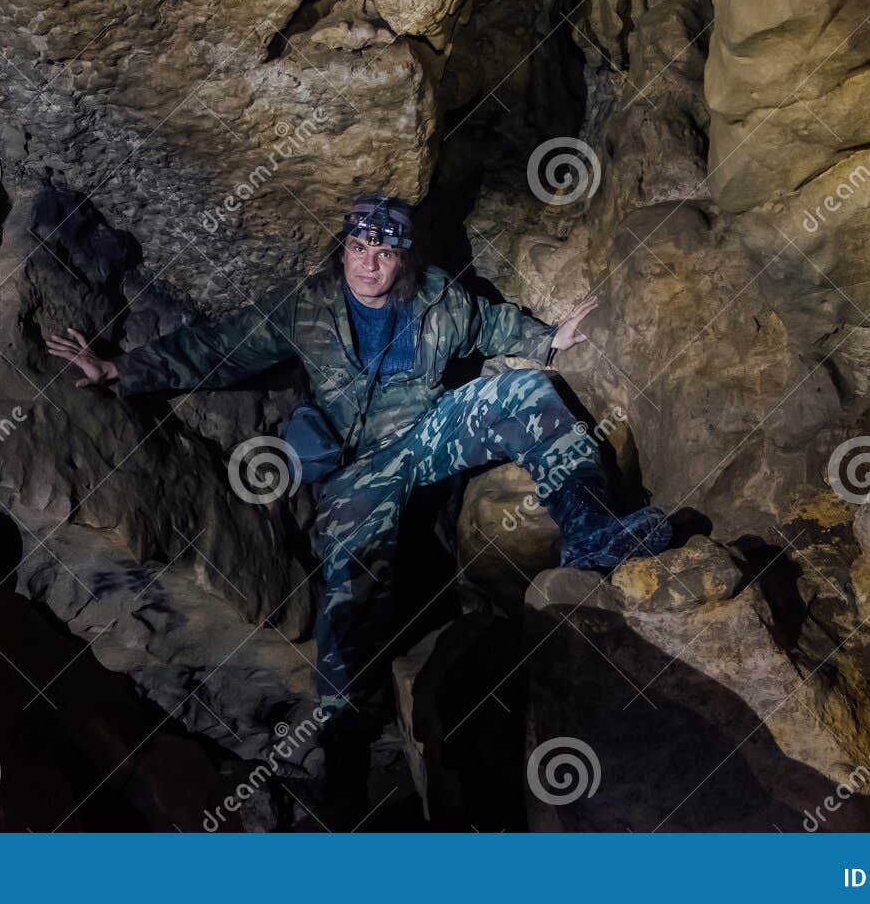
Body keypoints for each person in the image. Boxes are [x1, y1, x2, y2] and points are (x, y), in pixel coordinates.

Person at [46, 193, 674, 825]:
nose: (368, 265)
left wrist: (548, 337)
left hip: (427, 435)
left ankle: (593, 532)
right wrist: (116, 371)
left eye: (383, 252)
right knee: (348, 596)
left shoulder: (436, 298)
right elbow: (219, 345)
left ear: (403, 258)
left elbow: (491, 324)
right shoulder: (308, 307)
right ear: (341, 247)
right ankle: (345, 756)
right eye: (357, 248)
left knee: (525, 389)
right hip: (358, 470)